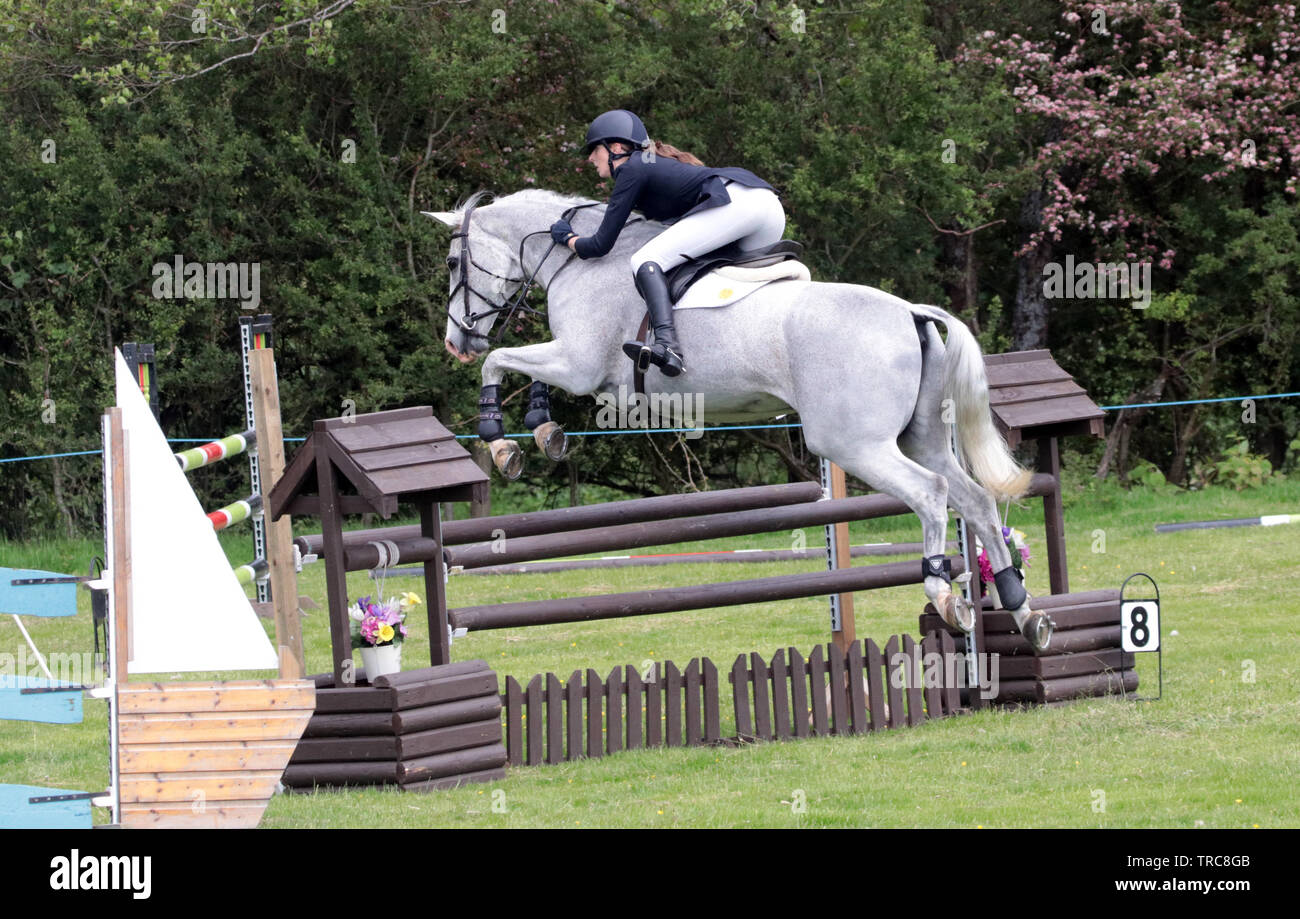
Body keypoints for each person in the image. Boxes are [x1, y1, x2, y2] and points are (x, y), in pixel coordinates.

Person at [549, 109, 786, 377]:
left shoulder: (633, 168)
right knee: (714, 280)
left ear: (615, 147)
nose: (591, 158)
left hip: (740, 204)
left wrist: (567, 237)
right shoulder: (649, 164)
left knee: (644, 261)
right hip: (768, 209)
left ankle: (667, 345)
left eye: (594, 150)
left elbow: (599, 246)